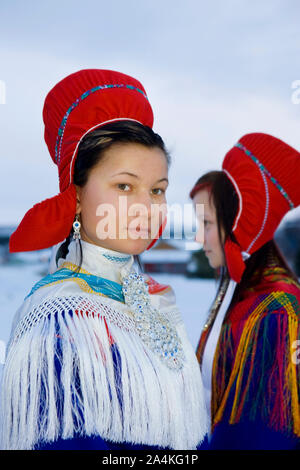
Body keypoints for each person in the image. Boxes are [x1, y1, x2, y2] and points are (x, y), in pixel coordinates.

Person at [0, 69, 208, 450]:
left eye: (157, 190)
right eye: (124, 186)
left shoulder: (153, 299)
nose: (147, 207)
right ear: (77, 195)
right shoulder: (59, 320)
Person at [190, 132, 300, 449]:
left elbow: (261, 435)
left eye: (207, 224)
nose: (199, 239)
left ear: (241, 223)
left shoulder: (276, 310)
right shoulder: (238, 291)